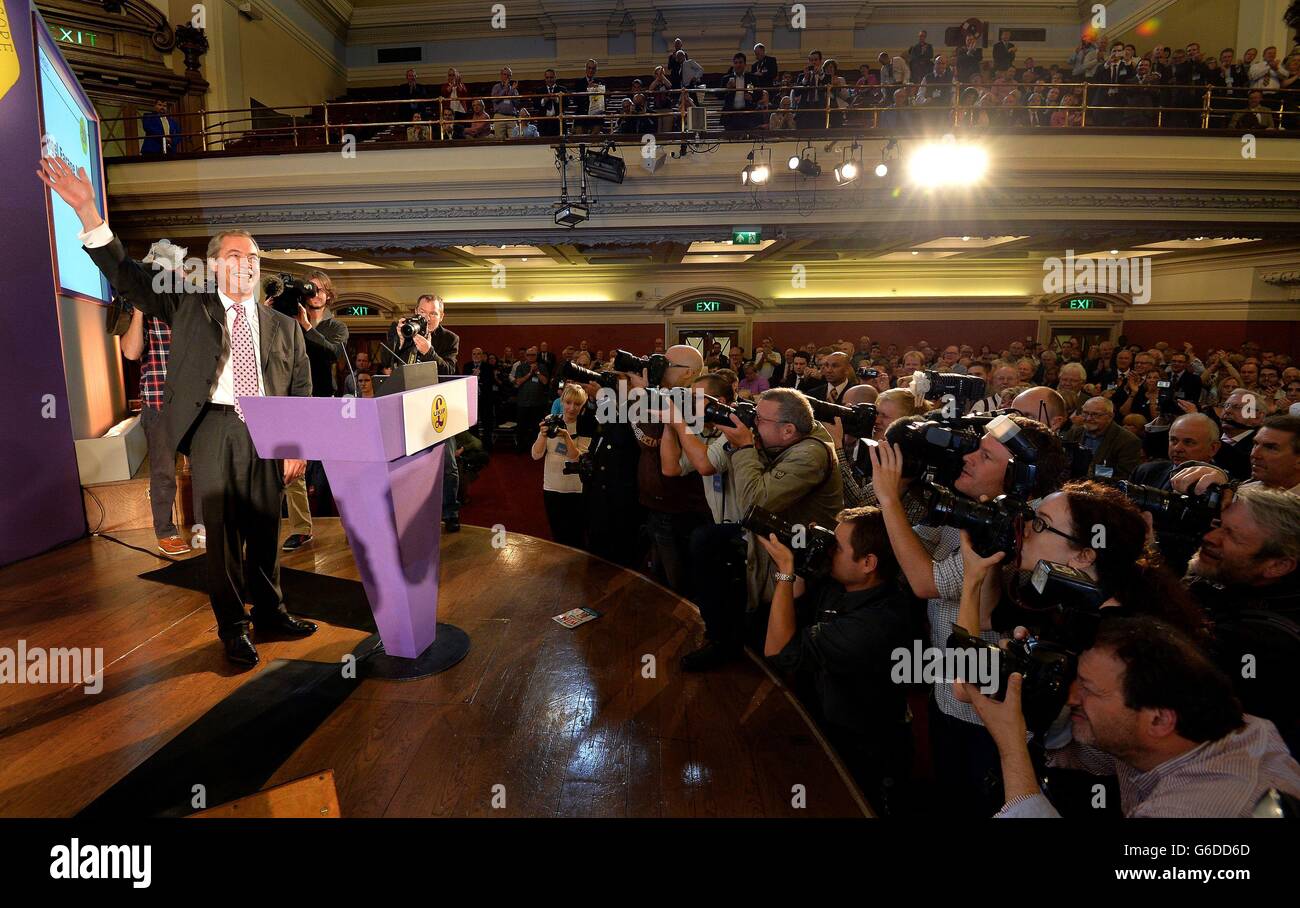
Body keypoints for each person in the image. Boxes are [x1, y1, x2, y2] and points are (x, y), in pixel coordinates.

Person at [40, 156, 315, 667]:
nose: (247, 262)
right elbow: (128, 276)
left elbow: (301, 387)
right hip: (215, 428)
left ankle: (272, 613)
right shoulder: (190, 301)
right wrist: (87, 211)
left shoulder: (284, 327)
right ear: (214, 266)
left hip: (270, 432)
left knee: (264, 531)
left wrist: (298, 444)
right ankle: (234, 628)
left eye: (253, 255)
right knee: (225, 537)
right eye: (235, 254)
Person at [869, 414, 1068, 816]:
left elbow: (928, 580)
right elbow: (914, 545)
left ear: (1016, 478)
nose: (969, 457)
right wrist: (909, 485)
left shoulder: (1010, 529)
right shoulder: (973, 506)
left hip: (988, 714)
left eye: (986, 456)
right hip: (951, 691)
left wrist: (889, 499)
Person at [963, 616, 1300, 817]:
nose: (1072, 697)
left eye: (1089, 690)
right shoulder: (1195, 733)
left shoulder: (1194, 809)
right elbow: (1106, 752)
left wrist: (1011, 747)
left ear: (1159, 720)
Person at [756, 507, 917, 814]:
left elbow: (779, 651)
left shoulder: (877, 623)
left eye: (838, 547)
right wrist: (803, 561)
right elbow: (795, 604)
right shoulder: (844, 583)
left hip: (865, 751)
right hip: (830, 728)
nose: (829, 551)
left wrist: (785, 571)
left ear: (868, 563)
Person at [1184, 484, 1300, 754]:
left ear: (1277, 565)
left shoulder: (1260, 642)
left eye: (1232, 536)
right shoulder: (1238, 584)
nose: (1210, 537)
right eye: (1218, 525)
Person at [281, 269, 349, 552]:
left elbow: (332, 353)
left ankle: (354, 525)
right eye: (311, 289)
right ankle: (301, 529)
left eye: (321, 290)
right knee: (294, 470)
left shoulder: (336, 327)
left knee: (337, 471)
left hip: (326, 402)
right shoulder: (287, 323)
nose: (316, 294)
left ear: (329, 295)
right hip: (295, 402)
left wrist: (306, 327)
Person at [120, 304, 192, 555]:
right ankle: (166, 532)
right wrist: (140, 311)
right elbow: (130, 352)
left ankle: (206, 528)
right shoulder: (145, 310)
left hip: (195, 401)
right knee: (163, 472)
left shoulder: (191, 305)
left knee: (206, 468)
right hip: (158, 400)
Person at [532, 383, 590, 548]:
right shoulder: (551, 421)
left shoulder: (585, 425)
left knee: (576, 535)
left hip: (576, 489)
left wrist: (566, 436)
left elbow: (576, 458)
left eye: (577, 404)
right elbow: (536, 455)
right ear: (562, 401)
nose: (572, 408)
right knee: (558, 535)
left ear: (583, 405)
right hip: (551, 487)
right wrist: (543, 436)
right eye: (568, 402)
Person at [1063, 397, 1142, 480]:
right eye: (1085, 413)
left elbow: (1124, 476)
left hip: (1103, 489)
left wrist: (1091, 479)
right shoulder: (1074, 432)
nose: (1088, 418)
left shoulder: (1128, 441)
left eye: (1095, 414)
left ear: (1110, 416)